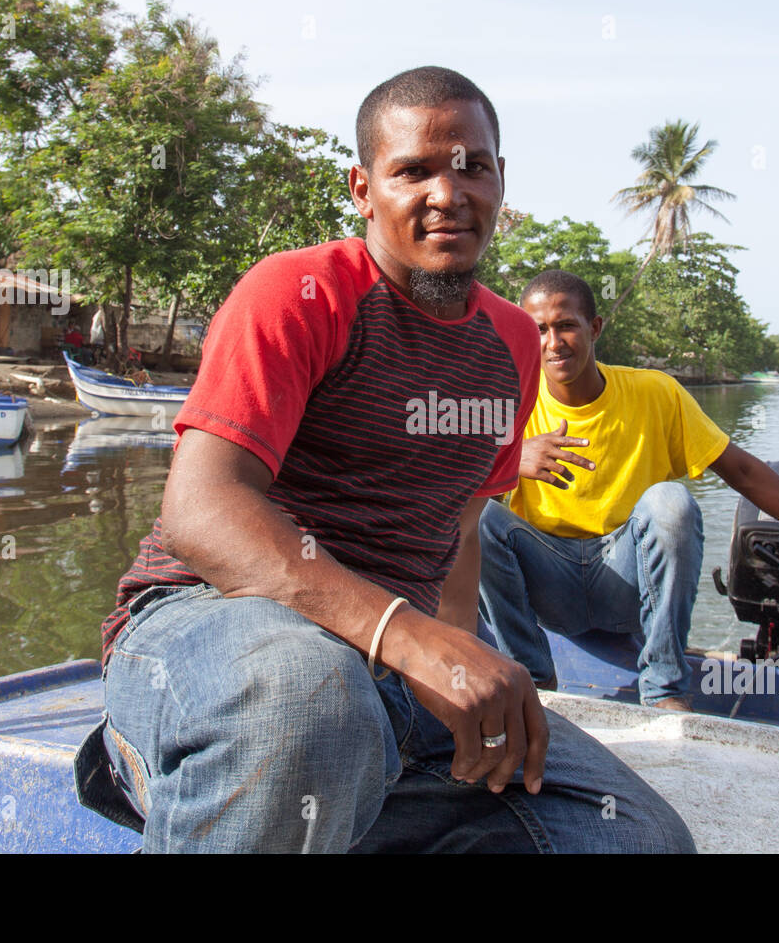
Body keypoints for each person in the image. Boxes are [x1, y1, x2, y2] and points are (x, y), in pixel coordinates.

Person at [72, 67, 695, 853]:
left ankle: (321, 797)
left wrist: (461, 670)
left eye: (474, 165)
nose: (449, 192)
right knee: (309, 699)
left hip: (387, 681)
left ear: (502, 180)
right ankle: (193, 763)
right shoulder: (298, 293)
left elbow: (460, 535)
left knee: (639, 838)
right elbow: (200, 513)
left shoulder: (509, 343)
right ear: (364, 189)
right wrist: (405, 636)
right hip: (215, 625)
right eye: (414, 171)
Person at [477, 269, 779, 709]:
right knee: (483, 513)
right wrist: (509, 457)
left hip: (625, 580)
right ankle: (532, 684)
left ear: (594, 327)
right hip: (550, 588)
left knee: (670, 502)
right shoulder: (506, 400)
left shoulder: (656, 393)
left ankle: (663, 688)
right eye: (539, 329)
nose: (553, 342)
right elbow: (434, 483)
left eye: (566, 326)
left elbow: (745, 472)